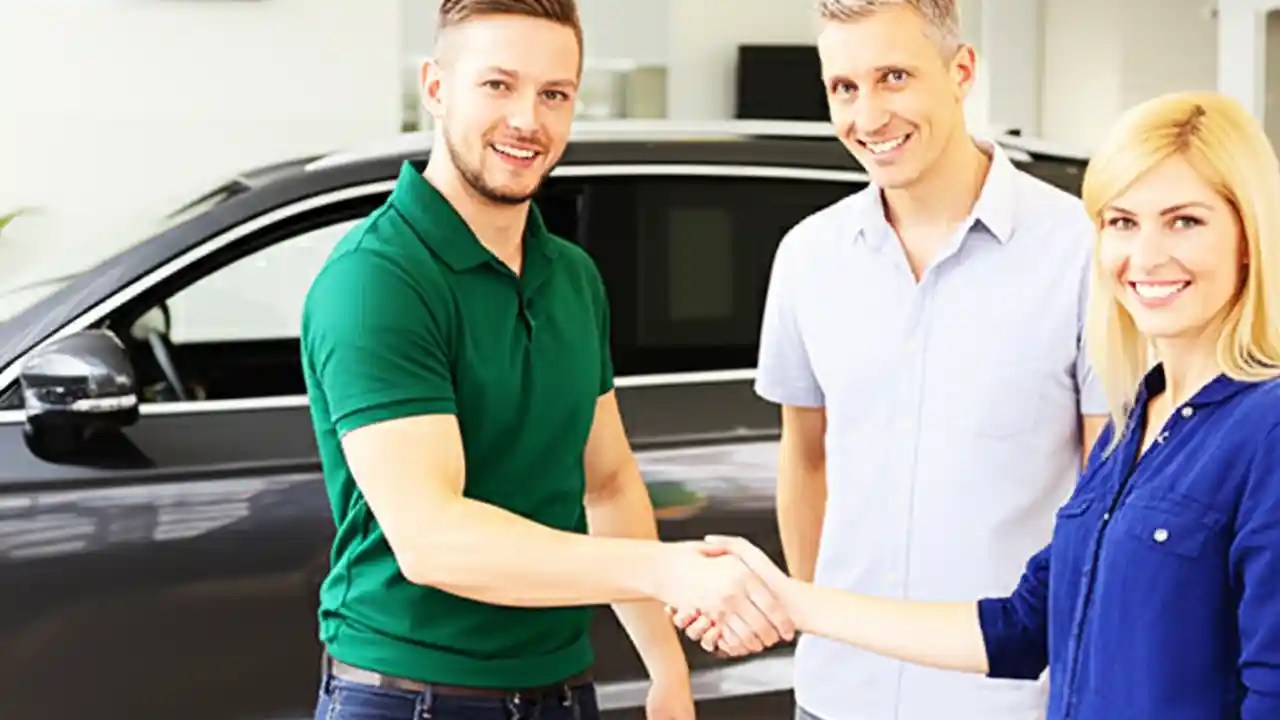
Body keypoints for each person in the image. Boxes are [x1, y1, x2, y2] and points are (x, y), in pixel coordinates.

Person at [678, 89, 1280, 719]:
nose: (1146, 257)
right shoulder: (1133, 425)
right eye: (1123, 222)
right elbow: (1021, 628)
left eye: (1186, 220)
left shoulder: (1264, 431)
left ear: (1248, 236)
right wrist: (791, 599)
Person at [298, 2, 792, 718]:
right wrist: (667, 571)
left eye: (554, 93)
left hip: (562, 691)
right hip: (407, 698)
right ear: (436, 88)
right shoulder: (377, 280)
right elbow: (434, 540)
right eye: (498, 85)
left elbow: (609, 484)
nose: (528, 119)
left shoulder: (571, 276)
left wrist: (666, 668)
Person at [740, 1, 1107, 718]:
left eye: (894, 76)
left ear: (961, 70)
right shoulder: (808, 258)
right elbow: (806, 459)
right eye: (844, 87)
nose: (868, 115)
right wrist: (822, 625)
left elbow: (1101, 493)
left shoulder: (1081, 251)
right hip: (837, 698)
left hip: (1008, 703)